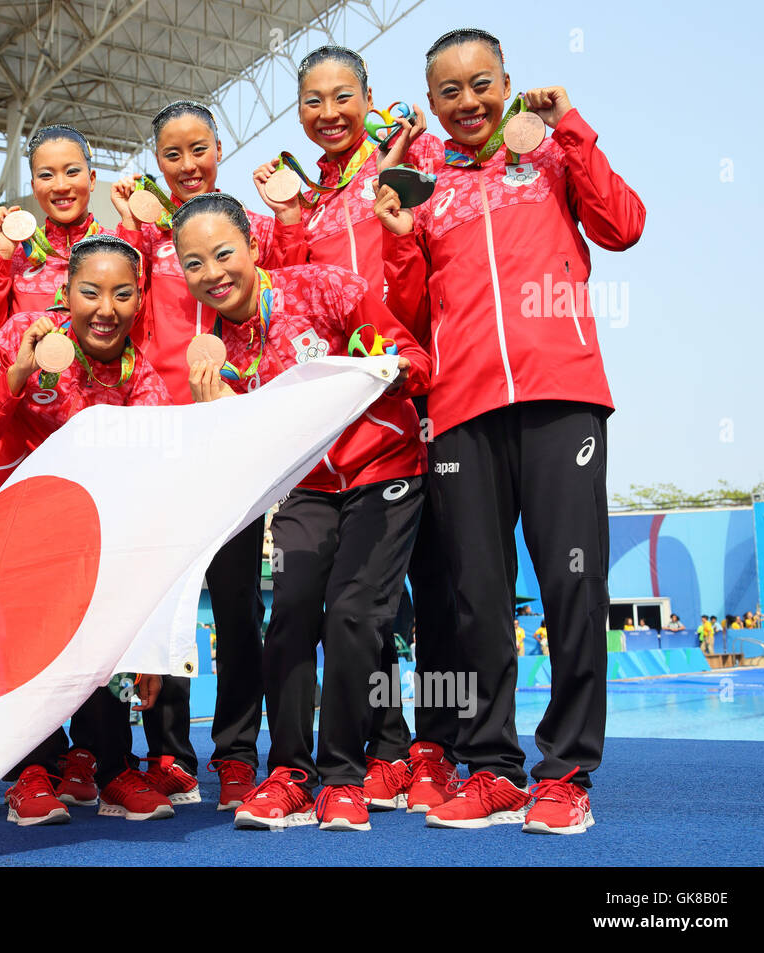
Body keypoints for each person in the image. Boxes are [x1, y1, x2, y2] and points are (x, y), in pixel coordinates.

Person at [376, 27, 645, 834]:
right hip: (462, 409)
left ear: (507, 82)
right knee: (474, 600)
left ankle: (567, 775)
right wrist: (397, 244)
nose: (469, 102)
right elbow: (410, 311)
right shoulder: (427, 189)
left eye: (482, 83)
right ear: (431, 103)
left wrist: (573, 127)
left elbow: (624, 226)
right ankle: (492, 768)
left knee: (572, 584)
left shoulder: (552, 156)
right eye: (450, 91)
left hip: (563, 395)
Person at [172, 193, 430, 833]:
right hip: (306, 487)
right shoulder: (213, 350)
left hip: (384, 467)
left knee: (351, 615)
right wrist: (217, 410)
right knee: (288, 616)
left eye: (224, 253)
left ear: (253, 247)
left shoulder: (326, 288)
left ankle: (343, 776)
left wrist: (389, 370)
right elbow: (247, 456)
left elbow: (416, 360)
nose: (213, 273)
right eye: (194, 263)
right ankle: (289, 773)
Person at [260, 46, 461, 813]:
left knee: (441, 588)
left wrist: (410, 151)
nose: (329, 112)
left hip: (428, 395)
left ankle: (440, 747)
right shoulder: (307, 207)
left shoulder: (414, 158)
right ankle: (386, 740)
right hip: (345, 431)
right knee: (365, 605)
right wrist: (282, 222)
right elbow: (286, 299)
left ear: (371, 97)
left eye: (343, 96)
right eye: (313, 101)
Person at [104, 101, 306, 811]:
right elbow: (115, 320)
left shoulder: (244, 234)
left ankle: (236, 754)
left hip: (232, 442)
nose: (187, 165)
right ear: (154, 160)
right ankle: (166, 753)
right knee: (162, 606)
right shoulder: (144, 243)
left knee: (235, 605)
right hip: (161, 444)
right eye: (172, 154)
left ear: (220, 148)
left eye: (199, 149)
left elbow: (287, 308)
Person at [0, 234, 172, 826]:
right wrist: (17, 377)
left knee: (97, 646)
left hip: (88, 536)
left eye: (122, 294)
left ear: (140, 298)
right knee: (21, 654)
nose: (106, 308)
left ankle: (112, 769)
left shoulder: (143, 378)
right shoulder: (18, 338)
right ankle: (30, 775)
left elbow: (151, 483)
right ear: (66, 292)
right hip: (8, 523)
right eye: (91, 292)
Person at [0, 125, 137, 346]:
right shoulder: (16, 255)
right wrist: (1, 257)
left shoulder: (117, 248)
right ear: (34, 188)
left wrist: (132, 228)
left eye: (72, 172)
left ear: (92, 179)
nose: (61, 186)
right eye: (46, 175)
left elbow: (137, 324)